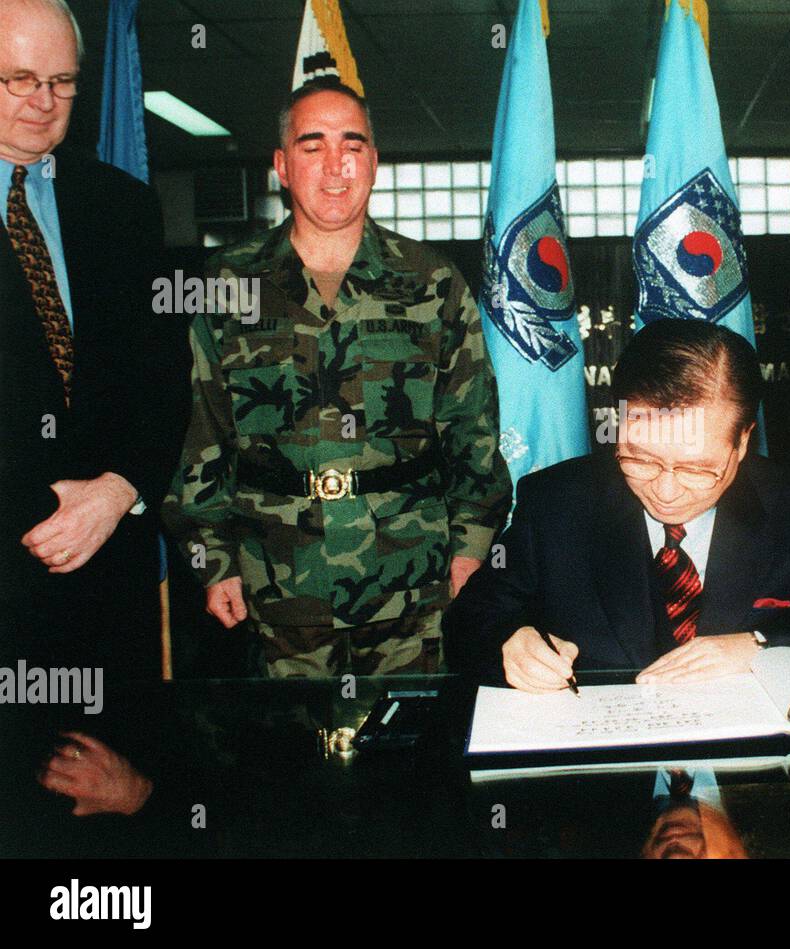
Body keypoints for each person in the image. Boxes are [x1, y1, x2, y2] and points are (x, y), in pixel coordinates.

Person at [163, 80, 512, 677]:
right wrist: (212, 560)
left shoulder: (432, 281)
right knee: (287, 761)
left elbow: (472, 432)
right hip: (275, 585)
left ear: (373, 161)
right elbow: (203, 435)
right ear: (280, 166)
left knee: (412, 755)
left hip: (411, 582)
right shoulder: (227, 282)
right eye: (311, 146)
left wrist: (470, 548)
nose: (335, 167)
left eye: (352, 146)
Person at [445, 318, 790, 691]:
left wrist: (760, 646)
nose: (666, 489)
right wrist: (510, 642)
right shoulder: (558, 504)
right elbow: (469, 621)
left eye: (698, 468)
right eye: (640, 459)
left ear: (743, 442)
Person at [0, 0, 185, 676]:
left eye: (63, 80)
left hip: (112, 590)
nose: (45, 102)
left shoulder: (123, 207)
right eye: (20, 78)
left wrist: (118, 489)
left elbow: (165, 381)